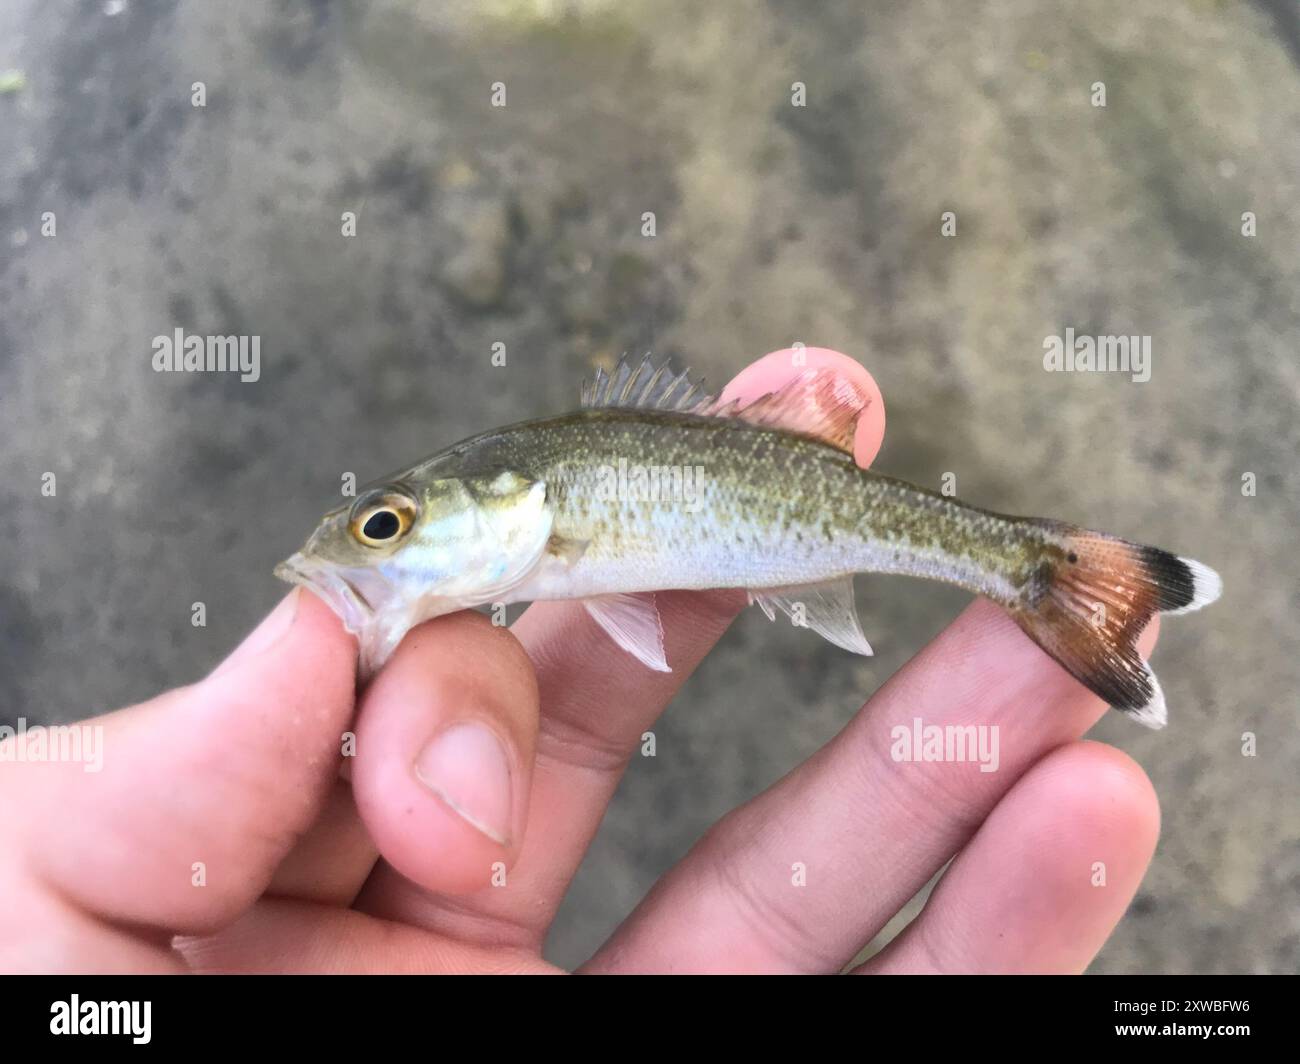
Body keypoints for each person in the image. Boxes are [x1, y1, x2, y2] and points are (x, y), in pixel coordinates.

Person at [0, 349, 1159, 974]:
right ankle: (1049, 573)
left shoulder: (554, 517)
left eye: (388, 526)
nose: (361, 552)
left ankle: (1043, 570)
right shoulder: (541, 535)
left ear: (509, 505)